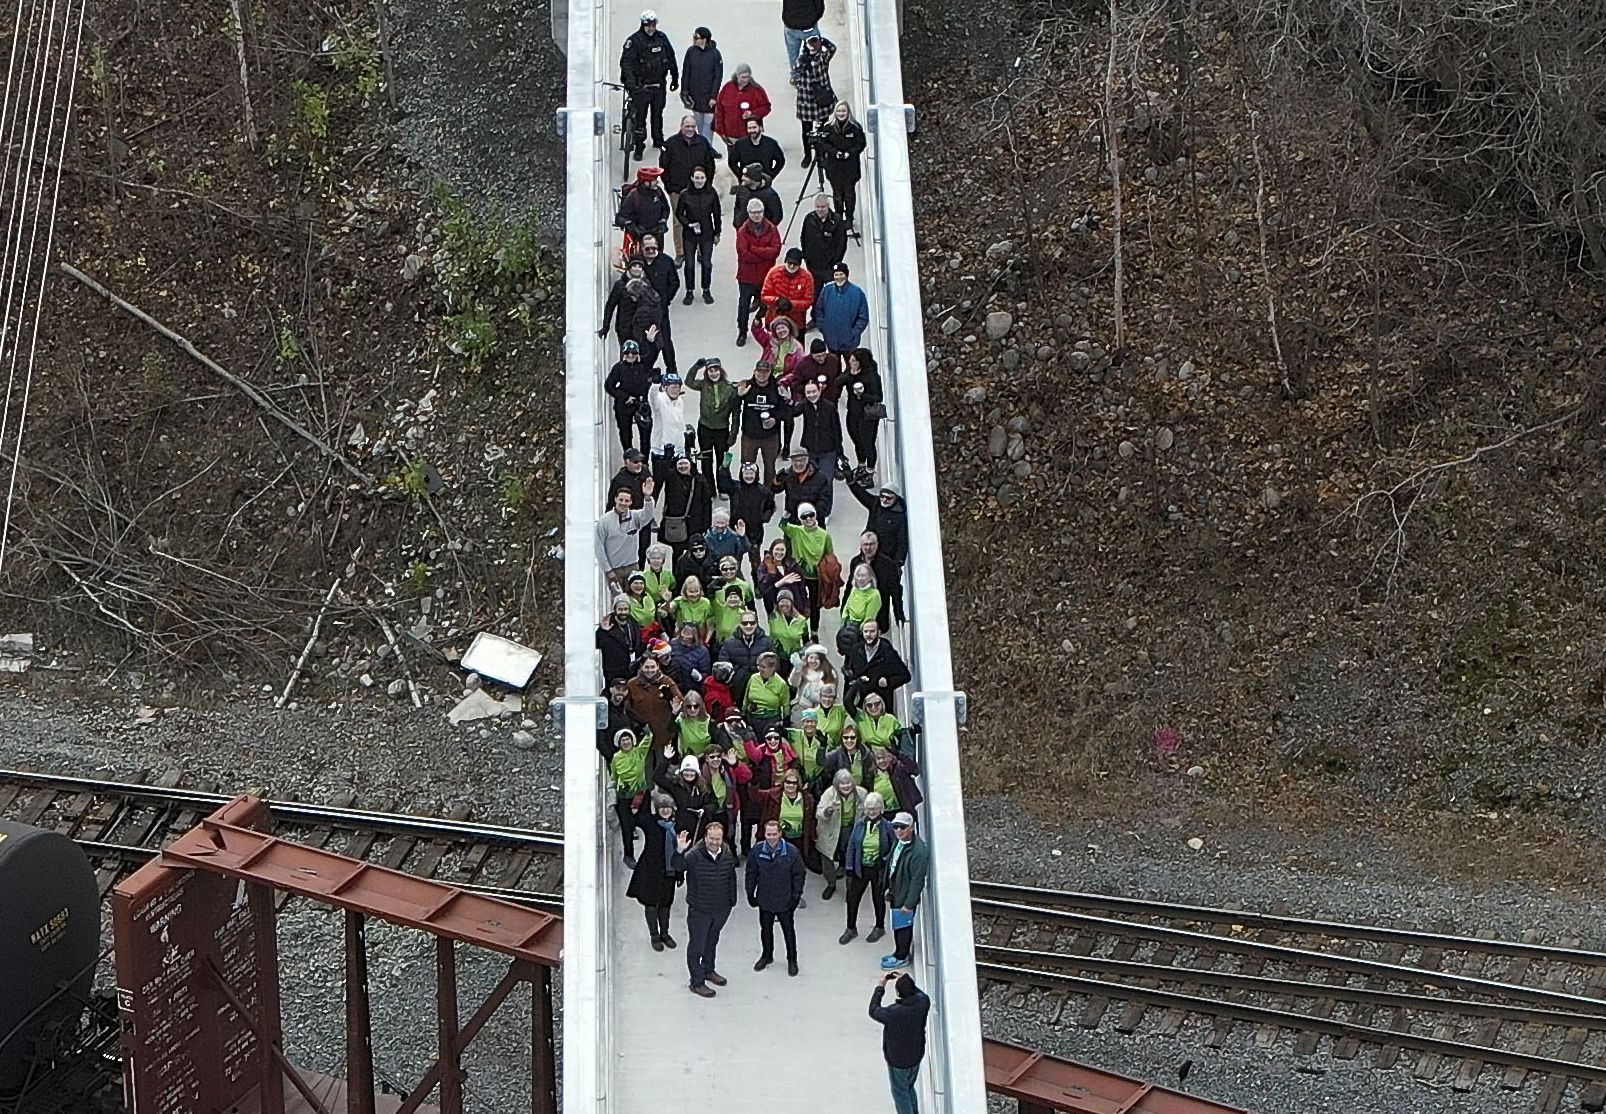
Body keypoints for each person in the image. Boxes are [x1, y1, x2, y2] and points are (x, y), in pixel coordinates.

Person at [676, 820, 738, 997]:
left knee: (712, 941)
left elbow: (731, 878)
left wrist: (731, 902)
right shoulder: (694, 855)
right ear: (705, 837)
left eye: (718, 839)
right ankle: (696, 982)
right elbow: (678, 867)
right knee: (697, 946)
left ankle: (708, 970)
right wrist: (679, 851)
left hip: (721, 909)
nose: (714, 842)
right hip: (700, 910)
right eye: (711, 838)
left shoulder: (727, 854)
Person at [629, 794, 693, 949]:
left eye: (668, 807)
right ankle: (654, 935)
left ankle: (665, 933)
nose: (665, 810)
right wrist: (641, 798)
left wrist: (679, 873)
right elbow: (635, 818)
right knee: (651, 904)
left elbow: (680, 851)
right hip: (650, 870)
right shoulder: (650, 822)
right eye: (662, 807)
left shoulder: (678, 826)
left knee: (665, 904)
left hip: (669, 872)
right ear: (657, 809)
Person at [746, 819, 805, 976]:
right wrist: (750, 892)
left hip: (785, 899)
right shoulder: (757, 850)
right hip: (765, 898)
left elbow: (799, 875)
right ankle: (767, 955)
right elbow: (751, 872)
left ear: (780, 834)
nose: (771, 837)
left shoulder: (792, 852)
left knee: (788, 931)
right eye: (768, 834)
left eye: (774, 834)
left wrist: (796, 897)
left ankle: (792, 960)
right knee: (765, 929)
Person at [870, 972, 931, 1114]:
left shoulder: (893, 1013)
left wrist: (880, 987)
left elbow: (873, 1010)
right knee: (909, 1087)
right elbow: (919, 993)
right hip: (916, 1056)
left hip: (898, 1060)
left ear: (899, 994)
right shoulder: (923, 1003)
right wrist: (906, 978)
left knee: (900, 1093)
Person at [620, 11, 679, 158]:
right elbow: (626, 63)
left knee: (657, 115)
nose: (651, 29)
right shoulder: (634, 41)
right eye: (648, 26)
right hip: (641, 87)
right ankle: (639, 146)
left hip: (659, 85)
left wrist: (675, 77)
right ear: (643, 25)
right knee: (640, 118)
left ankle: (658, 140)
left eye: (653, 25)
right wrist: (631, 83)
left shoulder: (662, 38)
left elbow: (671, 57)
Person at [841, 790, 896, 943]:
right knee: (852, 899)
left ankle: (879, 927)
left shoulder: (887, 826)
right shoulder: (859, 824)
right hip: (861, 868)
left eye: (875, 808)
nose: (871, 812)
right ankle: (851, 928)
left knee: (878, 899)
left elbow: (894, 847)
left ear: (881, 809)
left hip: (878, 869)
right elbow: (852, 845)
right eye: (869, 809)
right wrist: (849, 867)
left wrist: (884, 859)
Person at [659, 116, 716, 257]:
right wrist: (669, 187)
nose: (690, 129)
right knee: (678, 222)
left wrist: (706, 184)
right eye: (687, 126)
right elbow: (663, 166)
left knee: (701, 218)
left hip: (699, 190)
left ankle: (701, 250)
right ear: (681, 126)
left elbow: (710, 164)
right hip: (677, 189)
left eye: (692, 126)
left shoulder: (703, 143)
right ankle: (680, 253)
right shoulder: (671, 144)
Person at [881, 812, 929, 971]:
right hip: (896, 891)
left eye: (902, 827)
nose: (898, 830)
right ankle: (898, 952)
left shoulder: (918, 851)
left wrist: (909, 904)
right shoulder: (899, 842)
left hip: (904, 896)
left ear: (911, 828)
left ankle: (902, 956)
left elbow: (917, 880)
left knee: (903, 928)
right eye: (895, 827)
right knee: (897, 925)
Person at [600, 726, 652, 869]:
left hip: (640, 794)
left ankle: (649, 853)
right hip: (624, 796)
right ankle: (629, 855)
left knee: (646, 823)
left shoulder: (639, 752)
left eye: (628, 739)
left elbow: (648, 738)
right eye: (623, 740)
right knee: (626, 827)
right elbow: (614, 775)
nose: (626, 742)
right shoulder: (616, 757)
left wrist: (645, 728)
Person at [734, 200, 782, 346]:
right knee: (743, 305)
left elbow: (775, 250)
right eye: (753, 212)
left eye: (759, 212)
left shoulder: (772, 229)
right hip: (746, 276)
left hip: (765, 276)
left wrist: (754, 249)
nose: (756, 215)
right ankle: (742, 331)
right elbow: (744, 254)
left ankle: (761, 325)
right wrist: (764, 254)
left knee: (767, 304)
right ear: (748, 213)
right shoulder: (743, 231)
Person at [814, 767, 866, 900]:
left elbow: (867, 812)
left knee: (850, 856)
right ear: (836, 784)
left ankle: (850, 888)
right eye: (842, 783)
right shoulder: (829, 794)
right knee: (827, 858)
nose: (846, 786)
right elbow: (819, 813)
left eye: (848, 782)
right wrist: (828, 810)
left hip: (851, 829)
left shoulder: (861, 793)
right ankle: (831, 884)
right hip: (830, 831)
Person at [777, 503, 833, 627]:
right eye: (804, 516)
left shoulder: (824, 535)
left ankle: (814, 631)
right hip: (798, 575)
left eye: (811, 515)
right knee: (796, 602)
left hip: (816, 577)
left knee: (815, 605)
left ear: (815, 516)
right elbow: (782, 525)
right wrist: (787, 512)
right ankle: (797, 629)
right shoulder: (796, 531)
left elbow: (830, 556)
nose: (808, 519)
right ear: (800, 519)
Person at [735, 360, 788, 485]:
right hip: (749, 436)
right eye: (759, 372)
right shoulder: (747, 386)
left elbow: (785, 411)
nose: (762, 375)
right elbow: (733, 408)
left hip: (770, 437)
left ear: (770, 373)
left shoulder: (777, 388)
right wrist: (739, 396)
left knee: (770, 468)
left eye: (765, 372)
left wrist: (775, 418)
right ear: (754, 372)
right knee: (747, 467)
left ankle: (768, 494)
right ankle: (748, 492)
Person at [596, 480, 657, 587]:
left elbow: (648, 515)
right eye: (621, 500)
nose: (623, 503)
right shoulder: (604, 521)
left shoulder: (635, 517)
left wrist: (647, 498)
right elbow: (599, 547)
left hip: (632, 567)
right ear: (615, 499)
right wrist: (608, 570)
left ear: (631, 502)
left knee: (634, 596)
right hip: (614, 570)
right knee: (618, 597)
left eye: (627, 501)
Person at [686, 357, 737, 483]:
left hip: (722, 430)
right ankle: (709, 488)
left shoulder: (730, 388)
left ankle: (723, 486)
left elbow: (736, 413)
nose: (714, 373)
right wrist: (696, 367)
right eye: (710, 371)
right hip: (705, 428)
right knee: (706, 460)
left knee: (722, 461)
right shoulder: (703, 385)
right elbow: (688, 382)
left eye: (716, 370)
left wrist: (733, 433)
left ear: (721, 371)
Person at [818, 101, 868, 228]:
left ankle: (849, 217)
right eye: (839, 111)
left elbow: (861, 143)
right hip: (834, 167)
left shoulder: (855, 127)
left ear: (848, 112)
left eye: (843, 111)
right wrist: (835, 153)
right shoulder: (828, 127)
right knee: (837, 194)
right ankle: (838, 216)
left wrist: (849, 153)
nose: (841, 114)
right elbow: (823, 143)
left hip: (850, 167)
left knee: (849, 193)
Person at [676, 167, 721, 303]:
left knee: (706, 263)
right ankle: (689, 291)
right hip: (690, 233)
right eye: (697, 178)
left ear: (706, 179)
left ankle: (706, 289)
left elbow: (716, 214)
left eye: (702, 178)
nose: (699, 181)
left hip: (707, 232)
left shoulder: (711, 193)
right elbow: (679, 214)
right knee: (689, 264)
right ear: (692, 178)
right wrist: (688, 224)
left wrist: (717, 232)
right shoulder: (685, 194)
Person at [844, 620, 910, 711]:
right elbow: (849, 671)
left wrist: (888, 682)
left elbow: (905, 676)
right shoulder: (855, 650)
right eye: (866, 631)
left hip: (882, 705)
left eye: (872, 631)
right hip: (861, 705)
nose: (868, 634)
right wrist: (856, 681)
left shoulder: (888, 653)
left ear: (879, 633)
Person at [795, 381, 842, 504]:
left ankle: (825, 507)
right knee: (809, 479)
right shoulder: (804, 405)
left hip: (828, 450)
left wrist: (839, 450)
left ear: (819, 391)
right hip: (809, 449)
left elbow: (836, 428)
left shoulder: (829, 407)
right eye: (808, 392)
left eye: (813, 391)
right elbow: (792, 413)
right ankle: (812, 504)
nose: (811, 395)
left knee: (826, 479)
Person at [713, 64, 772, 160]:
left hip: (748, 135)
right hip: (730, 136)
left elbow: (766, 107)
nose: (746, 80)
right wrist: (720, 130)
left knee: (749, 161)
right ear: (737, 76)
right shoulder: (727, 87)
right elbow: (719, 109)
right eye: (743, 77)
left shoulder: (756, 90)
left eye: (748, 77)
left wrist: (753, 113)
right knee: (733, 161)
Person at [791, 34, 838, 156]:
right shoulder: (802, 60)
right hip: (806, 100)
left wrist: (822, 40)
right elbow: (796, 68)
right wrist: (804, 58)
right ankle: (807, 154)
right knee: (806, 130)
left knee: (823, 128)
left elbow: (832, 48)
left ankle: (820, 153)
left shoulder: (823, 58)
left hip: (822, 99)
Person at [603, 341, 654, 454]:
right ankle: (629, 457)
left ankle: (644, 459)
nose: (630, 355)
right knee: (625, 433)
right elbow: (609, 386)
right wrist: (625, 397)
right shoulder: (618, 368)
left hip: (641, 404)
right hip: (624, 405)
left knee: (645, 434)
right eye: (627, 353)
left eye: (634, 352)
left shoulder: (643, 366)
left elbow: (651, 353)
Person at [719, 460, 775, 560]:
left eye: (751, 473)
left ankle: (756, 570)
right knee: (735, 558)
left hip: (755, 531)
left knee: (755, 559)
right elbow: (724, 484)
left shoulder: (763, 491)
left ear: (756, 474)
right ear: (741, 474)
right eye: (746, 473)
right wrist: (724, 469)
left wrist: (765, 517)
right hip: (736, 529)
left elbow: (770, 505)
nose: (749, 476)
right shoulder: (735, 488)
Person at [659, 452, 710, 561]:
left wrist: (706, 524)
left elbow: (706, 503)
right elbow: (663, 471)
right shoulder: (672, 478)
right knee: (677, 554)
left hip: (696, 524)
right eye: (680, 464)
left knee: (696, 553)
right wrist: (668, 456)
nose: (683, 467)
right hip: (678, 522)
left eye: (685, 463)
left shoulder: (700, 480)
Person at [626, 654, 683, 746]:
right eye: (647, 667)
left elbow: (680, 701)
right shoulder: (632, 685)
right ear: (641, 667)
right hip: (642, 736)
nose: (650, 670)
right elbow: (627, 709)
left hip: (664, 734)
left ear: (658, 666)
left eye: (653, 667)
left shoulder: (667, 682)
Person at [849, 529, 900, 631]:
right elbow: (849, 588)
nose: (868, 548)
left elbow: (896, 592)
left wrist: (899, 615)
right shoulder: (855, 562)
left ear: (877, 544)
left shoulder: (888, 565)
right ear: (861, 546)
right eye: (865, 544)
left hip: (879, 618)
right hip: (857, 618)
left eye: (871, 544)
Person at [843, 347, 885, 470]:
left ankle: (870, 470)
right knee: (857, 441)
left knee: (868, 444)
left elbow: (878, 397)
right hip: (853, 412)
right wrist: (849, 374)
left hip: (867, 416)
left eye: (853, 360)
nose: (850, 363)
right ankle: (861, 465)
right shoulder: (850, 374)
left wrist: (863, 395)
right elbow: (838, 382)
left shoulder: (872, 377)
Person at [815, 262, 870, 356]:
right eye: (836, 274)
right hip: (831, 341)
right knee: (833, 364)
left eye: (841, 274)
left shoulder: (857, 292)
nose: (839, 277)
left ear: (846, 275)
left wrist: (853, 333)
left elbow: (863, 317)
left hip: (850, 343)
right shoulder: (827, 290)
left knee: (851, 364)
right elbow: (819, 309)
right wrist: (823, 327)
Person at [679, 28, 723, 144]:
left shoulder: (715, 54)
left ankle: (707, 147)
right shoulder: (691, 52)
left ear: (704, 39)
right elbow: (686, 73)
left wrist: (713, 96)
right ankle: (701, 145)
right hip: (695, 96)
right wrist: (684, 91)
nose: (694, 40)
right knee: (699, 123)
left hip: (708, 96)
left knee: (708, 124)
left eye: (697, 38)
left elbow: (717, 77)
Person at [648, 373, 691, 489]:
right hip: (661, 452)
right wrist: (655, 384)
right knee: (657, 484)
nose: (675, 390)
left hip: (677, 451)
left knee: (674, 486)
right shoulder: (660, 400)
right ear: (665, 388)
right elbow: (652, 398)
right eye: (672, 387)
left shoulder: (680, 401)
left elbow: (679, 425)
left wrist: (683, 446)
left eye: (677, 387)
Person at [760, 248, 815, 336]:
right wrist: (777, 301)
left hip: (796, 323)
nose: (792, 266)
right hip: (774, 320)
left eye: (795, 264)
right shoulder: (773, 273)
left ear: (799, 264)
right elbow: (764, 296)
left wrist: (791, 304)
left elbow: (808, 301)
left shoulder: (807, 277)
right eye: (790, 263)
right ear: (785, 261)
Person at [800, 194, 847, 296]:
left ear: (828, 206)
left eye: (823, 207)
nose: (820, 209)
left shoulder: (837, 221)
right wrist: (807, 258)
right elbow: (804, 239)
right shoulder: (809, 219)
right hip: (814, 265)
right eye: (818, 207)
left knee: (832, 293)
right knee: (815, 294)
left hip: (830, 266)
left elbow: (841, 244)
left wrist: (835, 262)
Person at [616, 166, 672, 247]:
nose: (657, 182)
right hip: (638, 235)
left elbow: (665, 209)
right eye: (654, 180)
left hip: (656, 233)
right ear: (646, 182)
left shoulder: (658, 192)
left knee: (658, 253)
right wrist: (631, 226)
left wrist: (662, 222)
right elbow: (621, 217)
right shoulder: (633, 195)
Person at [600, 256, 648, 347]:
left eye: (639, 266)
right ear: (629, 268)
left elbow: (654, 307)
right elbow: (610, 306)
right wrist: (606, 327)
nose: (637, 269)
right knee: (627, 353)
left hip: (642, 329)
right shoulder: (620, 285)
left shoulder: (647, 285)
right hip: (624, 328)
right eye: (634, 266)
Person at [742, 654, 792, 736]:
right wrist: (743, 713)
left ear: (773, 668)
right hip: (752, 718)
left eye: (763, 667)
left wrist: (785, 722)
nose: (759, 669)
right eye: (758, 665)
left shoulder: (781, 684)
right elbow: (746, 698)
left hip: (771, 721)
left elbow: (785, 705)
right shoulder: (753, 678)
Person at [596, 596, 643, 683]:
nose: (623, 612)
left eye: (626, 609)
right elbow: (597, 644)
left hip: (631, 668)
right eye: (620, 609)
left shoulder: (633, 623)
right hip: (613, 670)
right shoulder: (606, 626)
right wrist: (603, 631)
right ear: (615, 610)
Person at [868, 741, 922, 815]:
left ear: (890, 757)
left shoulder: (899, 767)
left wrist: (898, 753)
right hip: (883, 814)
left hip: (905, 811)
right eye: (878, 758)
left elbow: (914, 769)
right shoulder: (872, 773)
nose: (881, 761)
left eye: (883, 757)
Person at [838, 561, 881, 654]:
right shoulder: (855, 589)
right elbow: (847, 606)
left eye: (863, 575)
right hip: (848, 625)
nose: (860, 578)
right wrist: (844, 622)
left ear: (870, 577)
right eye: (858, 575)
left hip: (860, 632)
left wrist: (858, 631)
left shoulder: (874, 595)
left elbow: (869, 618)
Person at [728, 115, 786, 183]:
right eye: (749, 128)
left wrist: (770, 176)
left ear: (761, 128)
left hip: (764, 183)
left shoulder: (771, 143)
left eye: (754, 127)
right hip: (746, 183)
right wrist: (741, 176)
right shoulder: (740, 144)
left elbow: (780, 161)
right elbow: (732, 162)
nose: (752, 130)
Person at [789, 643, 838, 721]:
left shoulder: (829, 673)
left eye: (816, 658)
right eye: (811, 657)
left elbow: (830, 693)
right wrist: (797, 669)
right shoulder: (802, 669)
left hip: (822, 709)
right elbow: (794, 683)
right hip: (803, 707)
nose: (813, 661)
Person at [821, 720, 871, 789]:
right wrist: (822, 747)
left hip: (861, 791)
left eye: (852, 737)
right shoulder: (838, 753)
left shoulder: (867, 754)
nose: (849, 740)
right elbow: (822, 762)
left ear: (858, 738)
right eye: (846, 737)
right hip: (841, 790)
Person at [781, 0, 824, 78]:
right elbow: (819, 6)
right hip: (809, 26)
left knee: (793, 54)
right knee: (815, 54)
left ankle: (796, 76)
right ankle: (815, 75)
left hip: (790, 25)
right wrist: (814, 19)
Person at [767, 588, 809, 659]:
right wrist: (779, 584)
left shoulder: (801, 621)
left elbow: (806, 641)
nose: (784, 604)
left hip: (795, 657)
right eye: (781, 601)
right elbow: (766, 592)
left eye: (787, 601)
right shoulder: (773, 617)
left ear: (791, 603)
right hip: (776, 656)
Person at [670, 575, 714, 642]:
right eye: (691, 592)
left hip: (699, 639)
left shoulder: (706, 603)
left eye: (697, 591)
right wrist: (667, 600)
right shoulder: (679, 601)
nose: (694, 594)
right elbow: (668, 610)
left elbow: (710, 627)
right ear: (685, 591)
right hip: (681, 638)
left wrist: (706, 642)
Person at [670, 622, 711, 693]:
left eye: (688, 634)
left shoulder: (702, 651)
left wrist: (699, 677)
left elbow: (705, 672)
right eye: (684, 633)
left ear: (694, 637)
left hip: (692, 689)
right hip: (674, 685)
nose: (685, 637)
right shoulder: (673, 644)